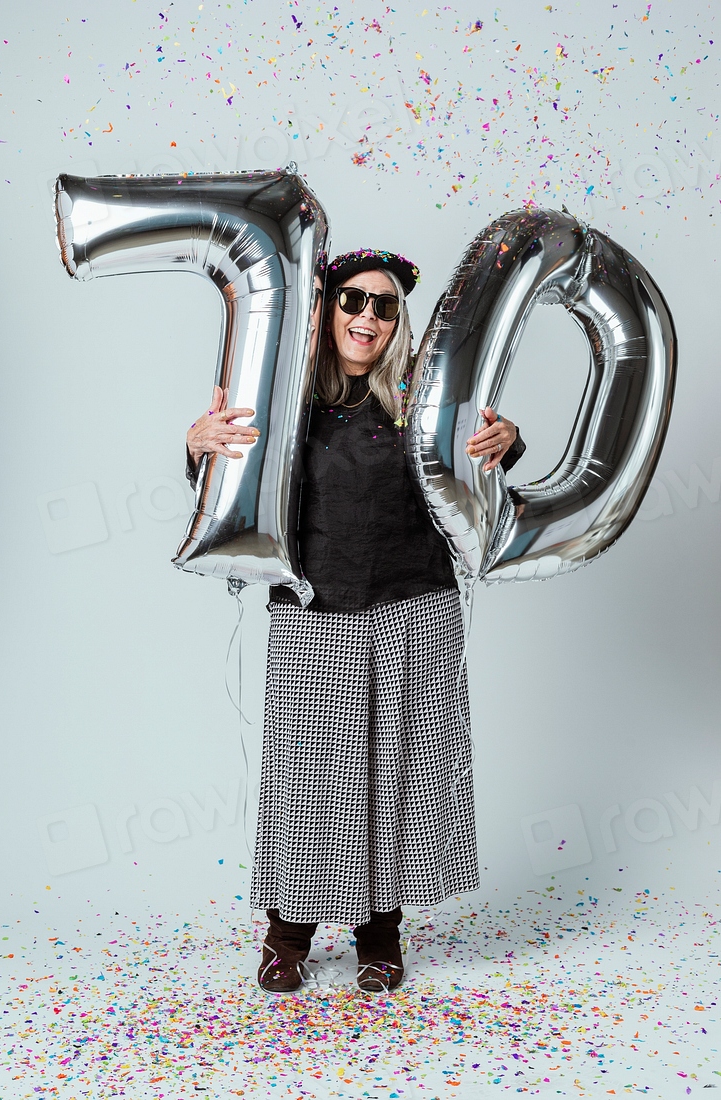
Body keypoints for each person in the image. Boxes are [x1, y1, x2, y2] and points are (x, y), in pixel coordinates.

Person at [185, 249, 525, 994]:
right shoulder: (283, 400)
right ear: (324, 308)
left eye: (383, 305)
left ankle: (380, 935)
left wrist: (505, 443)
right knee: (308, 781)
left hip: (414, 604)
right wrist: (196, 446)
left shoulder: (423, 400)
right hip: (316, 607)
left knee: (395, 770)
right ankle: (287, 936)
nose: (365, 317)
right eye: (351, 300)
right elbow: (230, 481)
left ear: (399, 320)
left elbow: (478, 474)